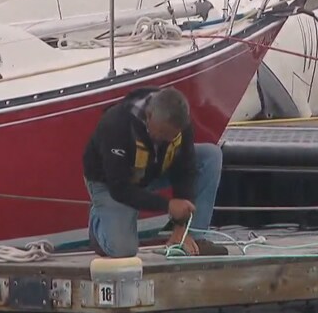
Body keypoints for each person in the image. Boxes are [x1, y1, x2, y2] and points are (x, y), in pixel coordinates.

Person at [82, 86, 229, 257]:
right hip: (111, 183)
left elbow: (185, 171)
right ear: (149, 116)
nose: (166, 140)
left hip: (151, 171)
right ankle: (99, 222)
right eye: (162, 134)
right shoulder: (116, 125)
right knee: (123, 250)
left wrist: (181, 225)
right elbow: (119, 187)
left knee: (211, 156)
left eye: (171, 137)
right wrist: (167, 205)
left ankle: (192, 237)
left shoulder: (180, 124)